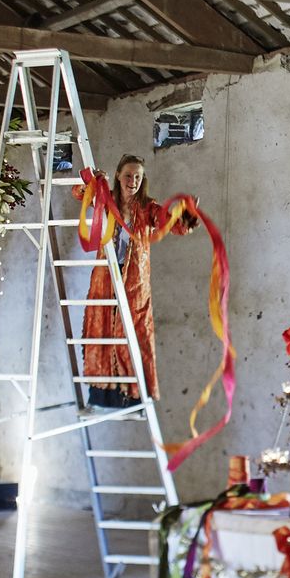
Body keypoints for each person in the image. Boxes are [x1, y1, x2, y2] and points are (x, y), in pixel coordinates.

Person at [81, 155, 199, 409]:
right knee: (103, 329)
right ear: (117, 176)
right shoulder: (105, 200)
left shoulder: (148, 208)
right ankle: (103, 395)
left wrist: (187, 217)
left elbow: (172, 224)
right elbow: (80, 194)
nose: (132, 181)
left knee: (134, 332)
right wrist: (94, 182)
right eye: (128, 175)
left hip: (135, 283)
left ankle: (133, 394)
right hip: (105, 277)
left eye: (137, 176)